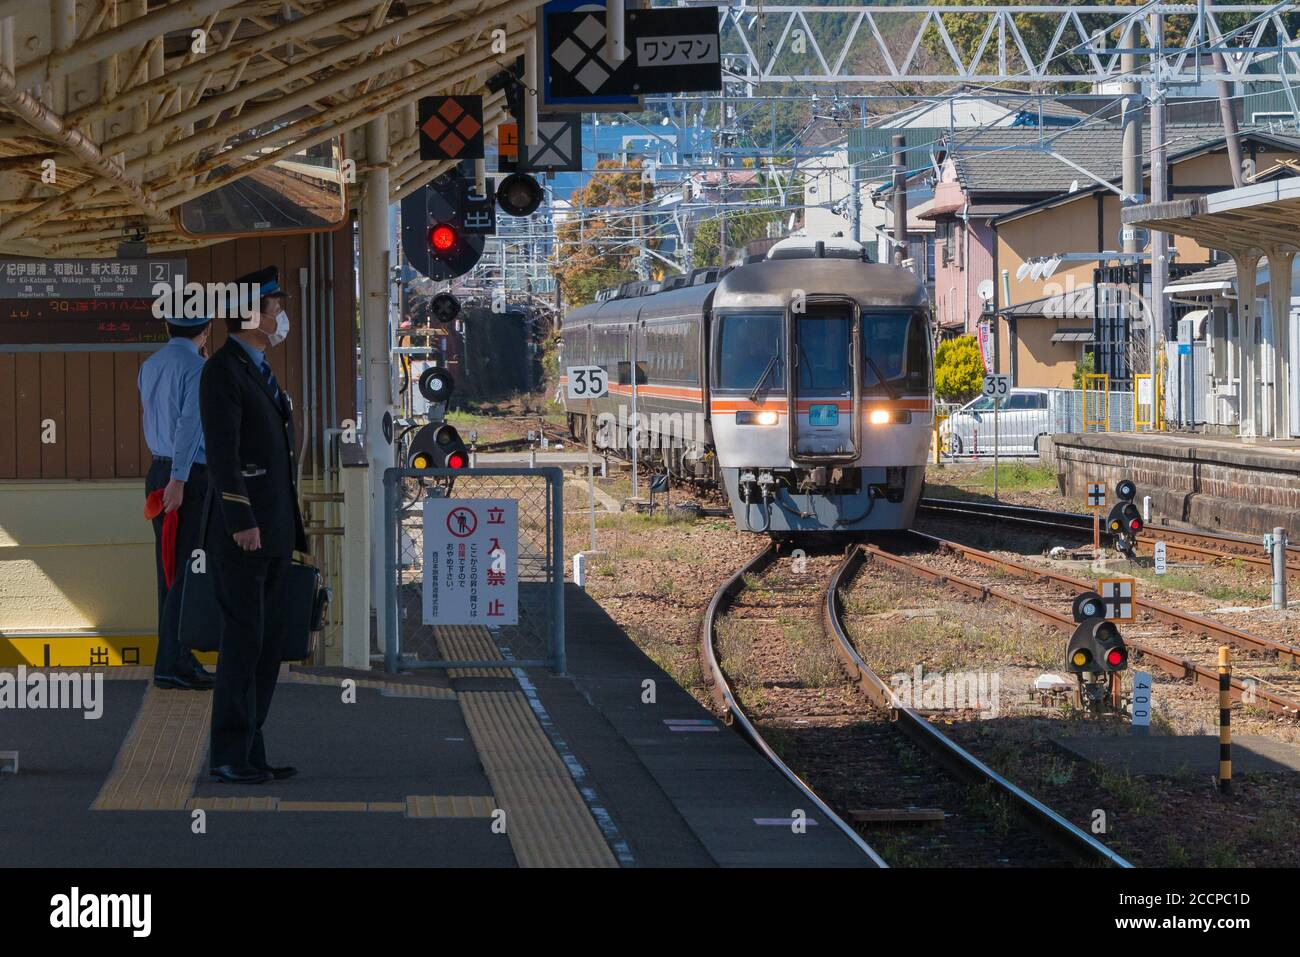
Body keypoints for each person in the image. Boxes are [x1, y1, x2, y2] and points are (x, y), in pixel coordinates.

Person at [200, 266, 308, 785]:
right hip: (244, 534)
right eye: (273, 304)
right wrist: (240, 516)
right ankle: (228, 755)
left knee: (267, 645)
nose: (279, 313)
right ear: (250, 313)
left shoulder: (259, 368)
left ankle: (252, 750)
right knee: (243, 644)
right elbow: (223, 453)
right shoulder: (222, 371)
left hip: (275, 530)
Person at [138, 313, 215, 691]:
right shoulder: (199, 367)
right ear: (205, 331)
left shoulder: (150, 366)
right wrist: (180, 480)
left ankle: (174, 657)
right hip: (185, 477)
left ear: (168, 328)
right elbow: (189, 426)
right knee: (186, 569)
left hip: (157, 470)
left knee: (167, 569)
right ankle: (173, 662)